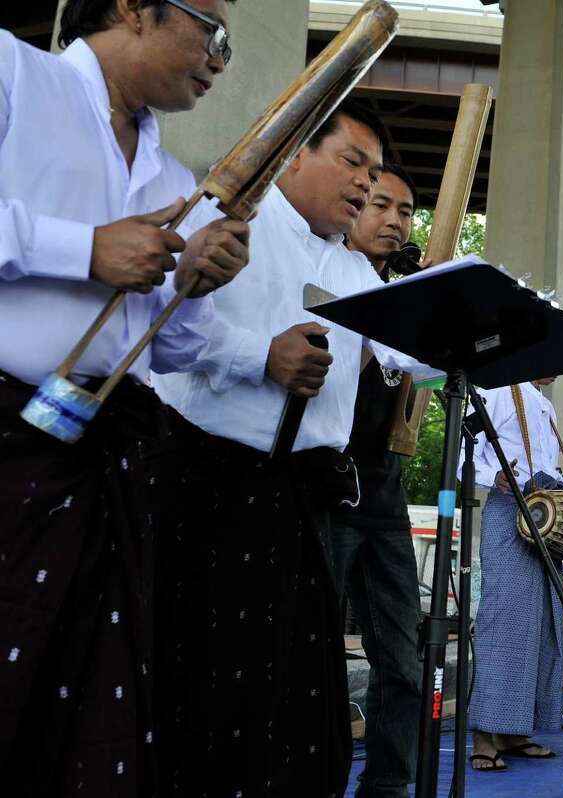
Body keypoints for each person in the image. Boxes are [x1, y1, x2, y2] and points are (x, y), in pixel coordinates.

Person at [150, 101, 437, 797]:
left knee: (295, 694)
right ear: (295, 155)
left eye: (374, 174)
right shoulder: (230, 216)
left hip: (307, 498)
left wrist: (482, 326)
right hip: (210, 483)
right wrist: (260, 356)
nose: (366, 184)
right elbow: (159, 326)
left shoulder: (355, 272)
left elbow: (414, 353)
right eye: (353, 163)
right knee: (206, 683)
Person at [0, 1, 250, 793]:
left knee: (92, 701)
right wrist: (84, 249)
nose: (220, 60)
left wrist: (195, 286)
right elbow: (95, 258)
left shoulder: (175, 180)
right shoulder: (14, 73)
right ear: (135, 8)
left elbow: (170, 350)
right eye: (212, 31)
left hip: (112, 454)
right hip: (10, 440)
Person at [328, 163, 422, 798]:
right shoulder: (326, 281)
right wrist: (381, 323)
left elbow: (431, 382)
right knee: (313, 649)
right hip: (329, 490)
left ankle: (388, 783)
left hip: (385, 496)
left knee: (403, 659)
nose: (394, 220)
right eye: (380, 205)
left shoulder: (406, 297)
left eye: (406, 212)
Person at [464, 378, 563, 771]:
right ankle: (483, 736)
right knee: (503, 625)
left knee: (540, 629)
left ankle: (513, 732)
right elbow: (464, 453)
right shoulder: (495, 390)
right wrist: (494, 477)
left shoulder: (545, 406)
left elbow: (547, 470)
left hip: (546, 517)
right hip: (509, 513)